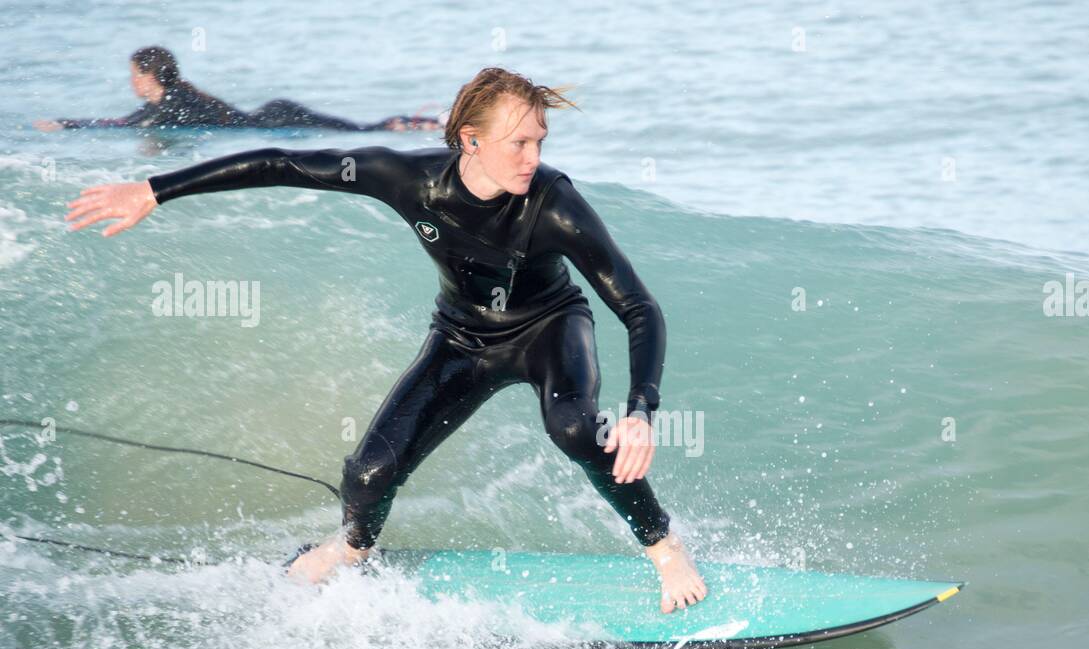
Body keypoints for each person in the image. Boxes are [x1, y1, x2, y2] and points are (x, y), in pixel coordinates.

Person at [64, 66, 709, 614]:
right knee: (368, 473)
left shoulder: (554, 203)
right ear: (470, 141)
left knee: (573, 426)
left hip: (548, 328)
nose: (532, 159)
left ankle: (663, 547)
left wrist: (641, 411)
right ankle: (352, 548)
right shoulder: (408, 179)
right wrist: (156, 187)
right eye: (517, 144)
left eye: (539, 141)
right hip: (461, 338)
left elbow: (638, 305)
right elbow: (285, 163)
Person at [35, 46, 442, 133]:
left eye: (133, 75)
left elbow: (124, 125)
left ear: (146, 77)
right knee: (365, 129)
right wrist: (69, 122)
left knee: (366, 132)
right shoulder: (175, 99)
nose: (130, 83)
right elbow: (127, 122)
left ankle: (429, 123)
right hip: (277, 114)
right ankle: (427, 122)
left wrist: (66, 125)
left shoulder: (175, 104)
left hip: (280, 119)